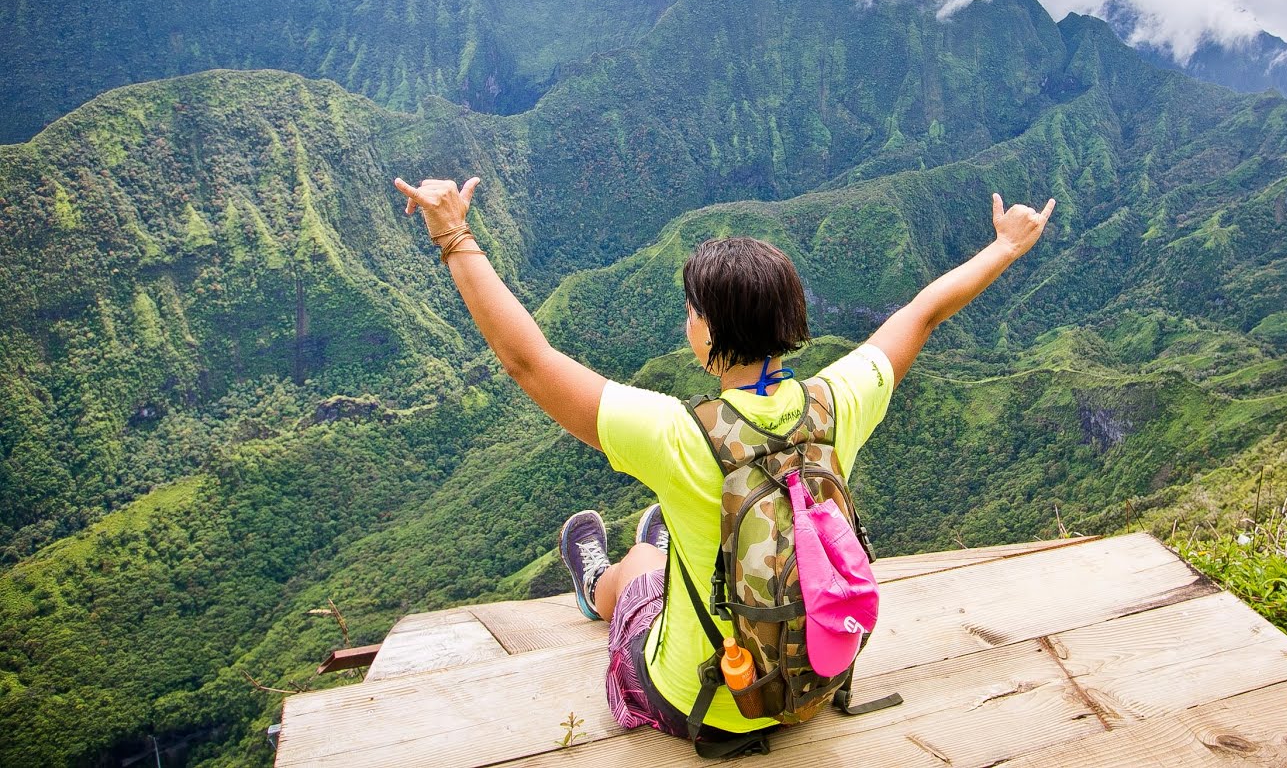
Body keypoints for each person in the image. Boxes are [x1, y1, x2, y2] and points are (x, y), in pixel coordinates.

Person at [392, 175, 1054, 747]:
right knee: (670, 545)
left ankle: (597, 582)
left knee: (645, 572)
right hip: (814, 684)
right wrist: (1006, 244)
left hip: (698, 705)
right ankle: (664, 544)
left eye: (690, 311)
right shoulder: (837, 403)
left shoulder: (677, 434)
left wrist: (454, 236)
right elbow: (924, 311)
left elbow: (529, 361)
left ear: (707, 330)